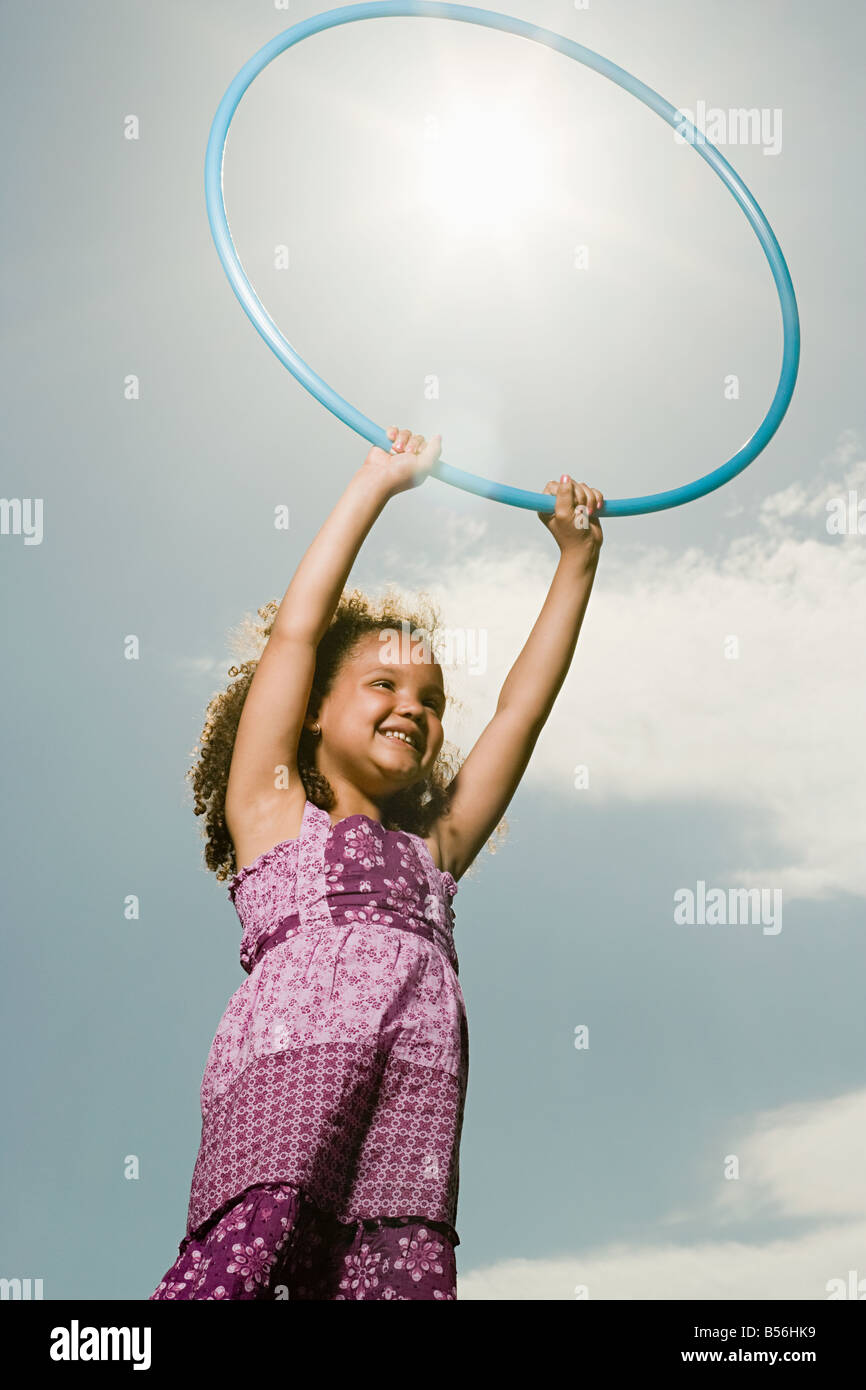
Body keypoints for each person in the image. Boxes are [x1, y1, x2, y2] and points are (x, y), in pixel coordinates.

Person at [149, 425, 604, 1299]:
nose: (414, 707)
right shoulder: (273, 813)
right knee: (249, 1263)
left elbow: (519, 714)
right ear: (315, 711)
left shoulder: (435, 853)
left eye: (431, 700)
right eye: (384, 684)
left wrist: (576, 562)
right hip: (286, 1094)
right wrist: (377, 484)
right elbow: (294, 637)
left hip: (408, 1142)